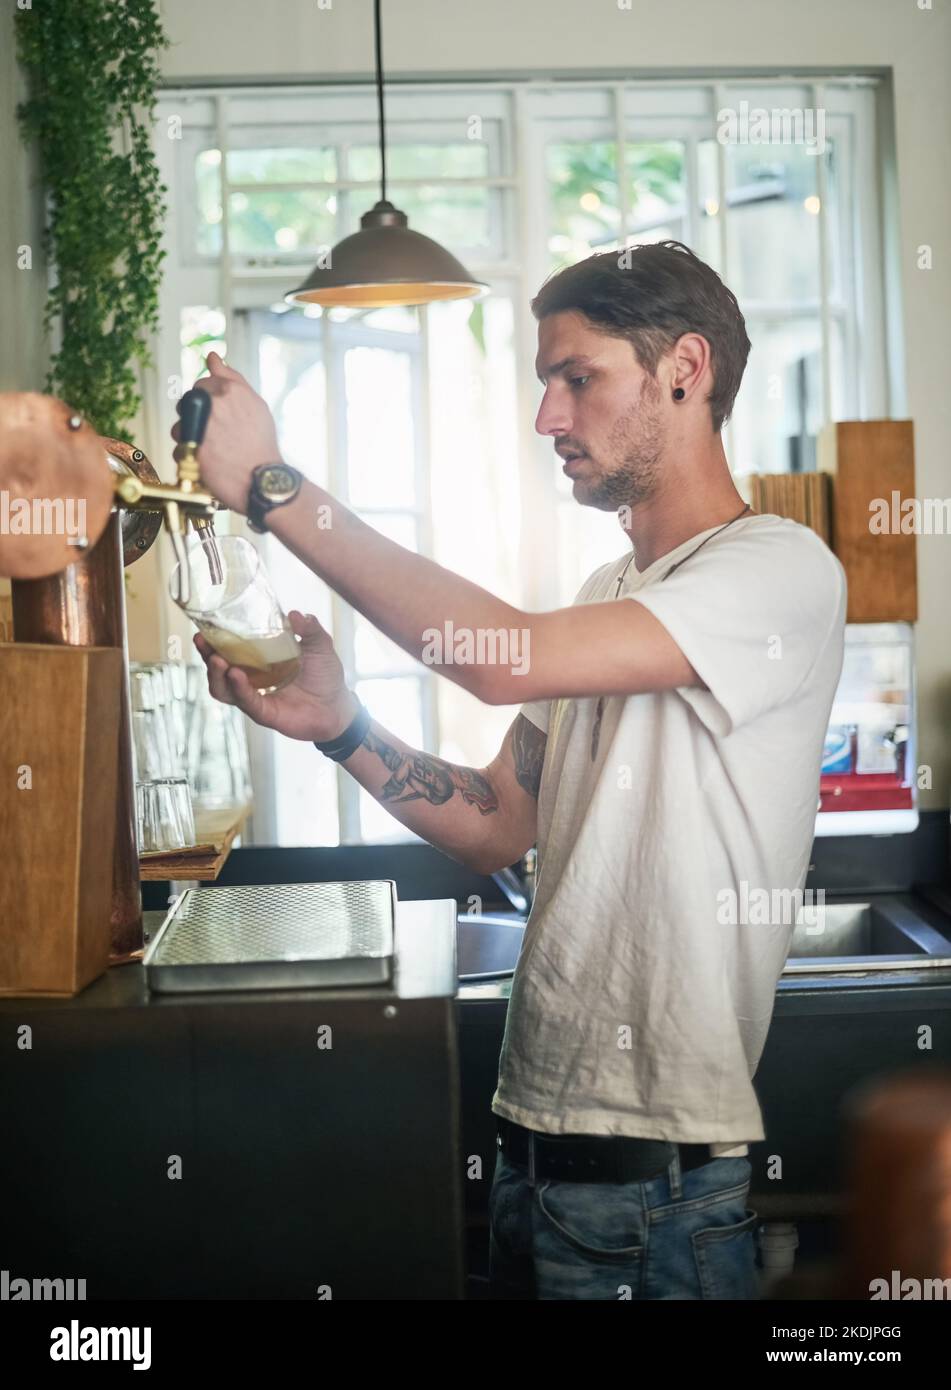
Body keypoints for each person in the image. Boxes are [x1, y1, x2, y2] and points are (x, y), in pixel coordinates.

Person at [177, 240, 846, 1300]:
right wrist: (340, 724)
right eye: (546, 383)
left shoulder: (779, 569)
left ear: (686, 369)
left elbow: (506, 658)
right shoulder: (605, 587)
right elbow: (496, 819)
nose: (549, 418)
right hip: (534, 1153)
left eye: (577, 378)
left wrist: (275, 489)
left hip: (653, 1194)